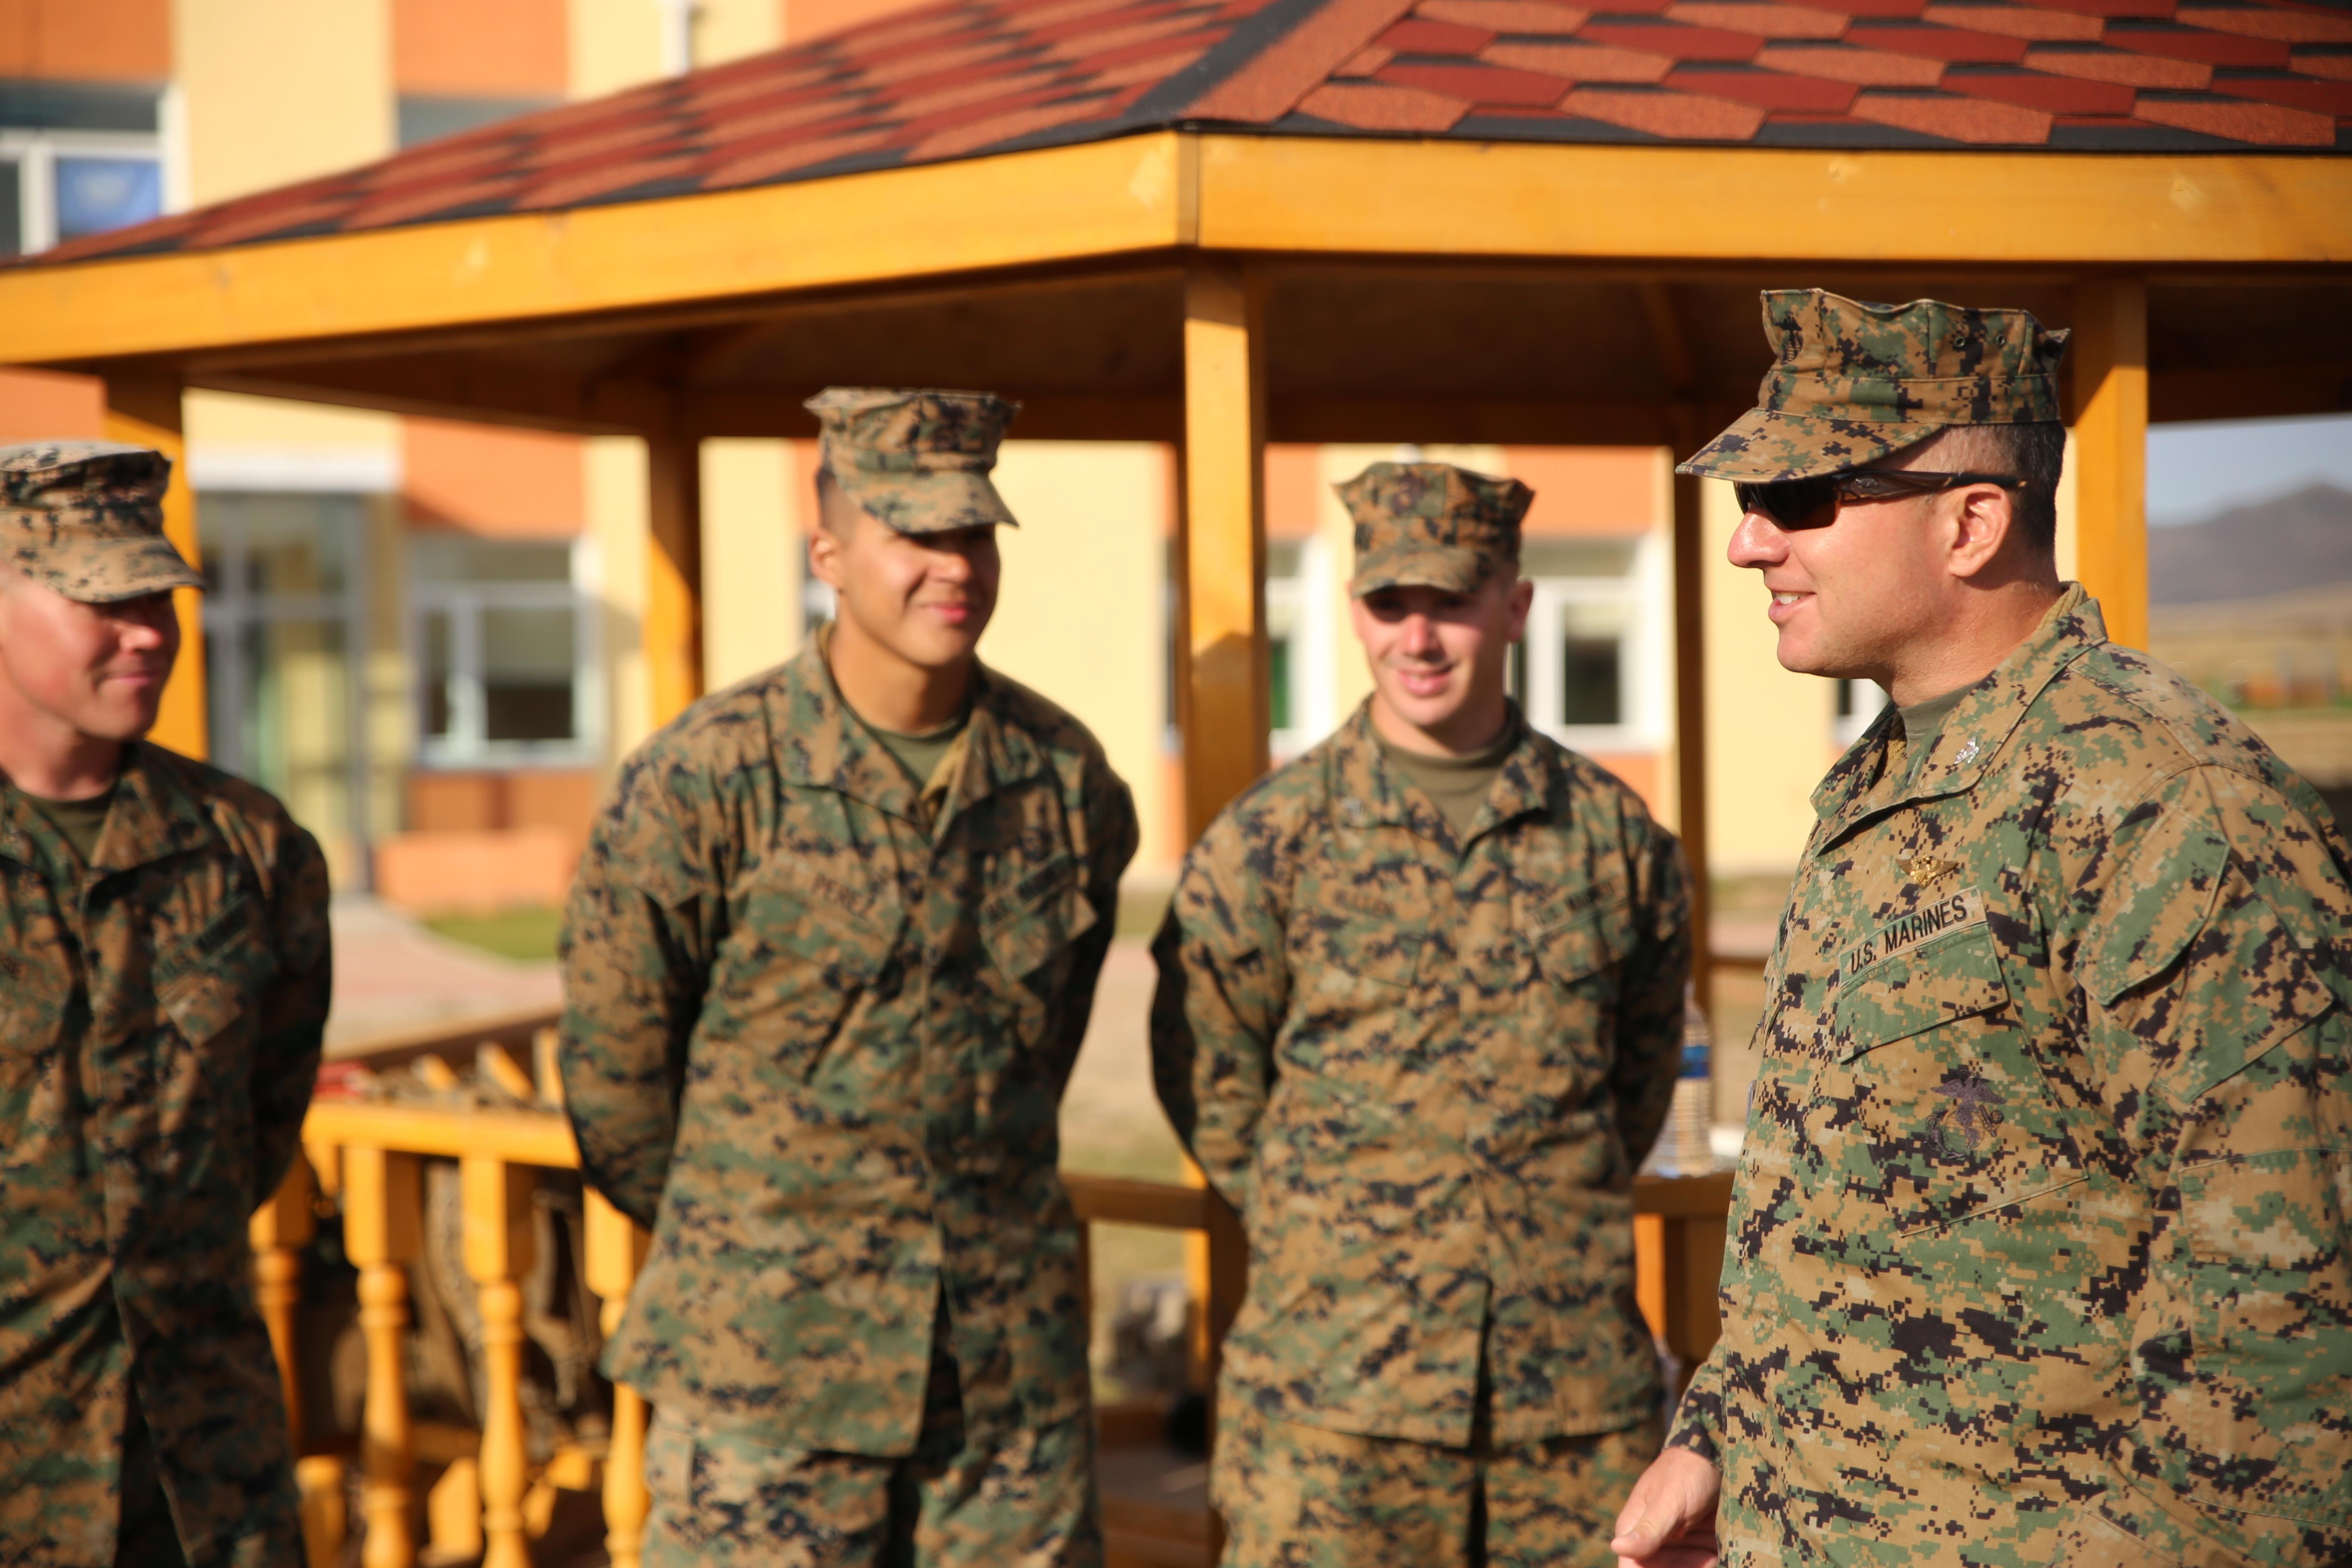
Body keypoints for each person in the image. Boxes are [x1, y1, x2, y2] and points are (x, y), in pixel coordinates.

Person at [1611, 289, 2352, 1568]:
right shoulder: (1891, 783)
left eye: (1799, 500)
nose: (1749, 546)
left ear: (1972, 522)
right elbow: (1848, 1201)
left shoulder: (2165, 807)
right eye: (1749, 504)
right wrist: (1723, 1432)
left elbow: (2287, 1313)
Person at [560, 388, 1138, 1566]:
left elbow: (1047, 1043)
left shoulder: (1064, 780)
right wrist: (758, 1237)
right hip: (767, 1375)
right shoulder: (706, 778)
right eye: (915, 535)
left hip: (1002, 1392)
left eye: (974, 531)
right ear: (827, 551)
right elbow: (617, 1083)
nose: (954, 566)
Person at [1152, 460, 1692, 1567]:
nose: (1421, 637)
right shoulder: (1270, 843)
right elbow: (1210, 1079)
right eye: (1392, 604)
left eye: (1452, 601)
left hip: (1569, 1410)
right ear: (1354, 614)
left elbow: (1633, 1084)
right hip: (1337, 1402)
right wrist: (1337, 1230)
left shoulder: (1611, 839)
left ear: (1516, 607)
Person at [0, 441, 330, 1568]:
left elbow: (261, 1130)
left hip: (204, 1474)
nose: (147, 630)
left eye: (159, 595)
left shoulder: (253, 848)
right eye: (102, 597)